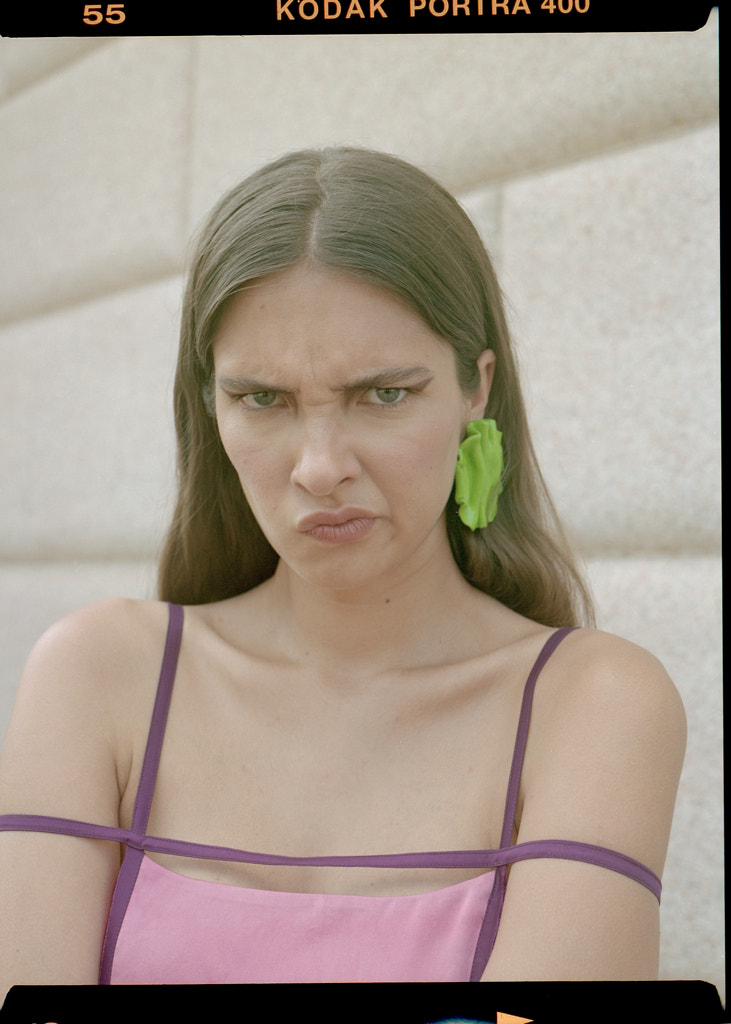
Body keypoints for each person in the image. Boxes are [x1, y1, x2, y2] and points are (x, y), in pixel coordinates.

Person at [0, 147, 686, 989]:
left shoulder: (590, 701)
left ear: (476, 388)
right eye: (263, 399)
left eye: (383, 394)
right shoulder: (98, 673)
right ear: (209, 404)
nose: (320, 467)